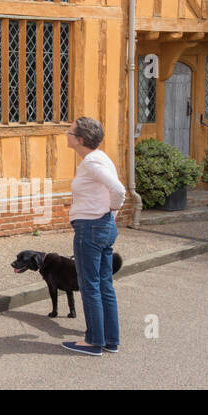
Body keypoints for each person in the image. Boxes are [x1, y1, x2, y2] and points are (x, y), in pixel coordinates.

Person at [62, 117, 125, 356]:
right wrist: (110, 217)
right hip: (102, 227)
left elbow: (119, 190)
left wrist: (108, 213)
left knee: (89, 285)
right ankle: (111, 340)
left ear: (79, 139)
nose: (66, 135)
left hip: (90, 228)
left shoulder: (91, 162)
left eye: (69, 132)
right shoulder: (101, 158)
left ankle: (93, 341)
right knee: (104, 284)